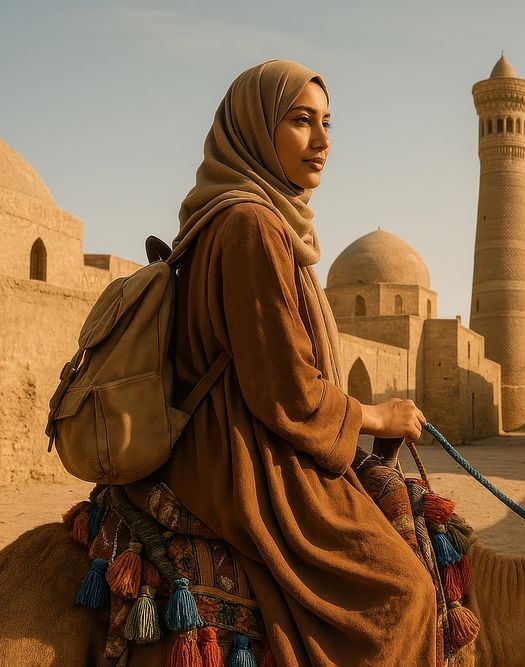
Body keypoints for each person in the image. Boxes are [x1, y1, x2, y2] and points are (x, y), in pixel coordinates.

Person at [158, 59, 437, 666]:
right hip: (244, 454)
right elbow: (286, 391)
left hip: (228, 436)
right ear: (255, 128)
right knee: (404, 594)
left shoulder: (225, 214)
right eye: (300, 121)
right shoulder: (252, 224)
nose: (322, 141)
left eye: (327, 123)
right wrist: (378, 417)